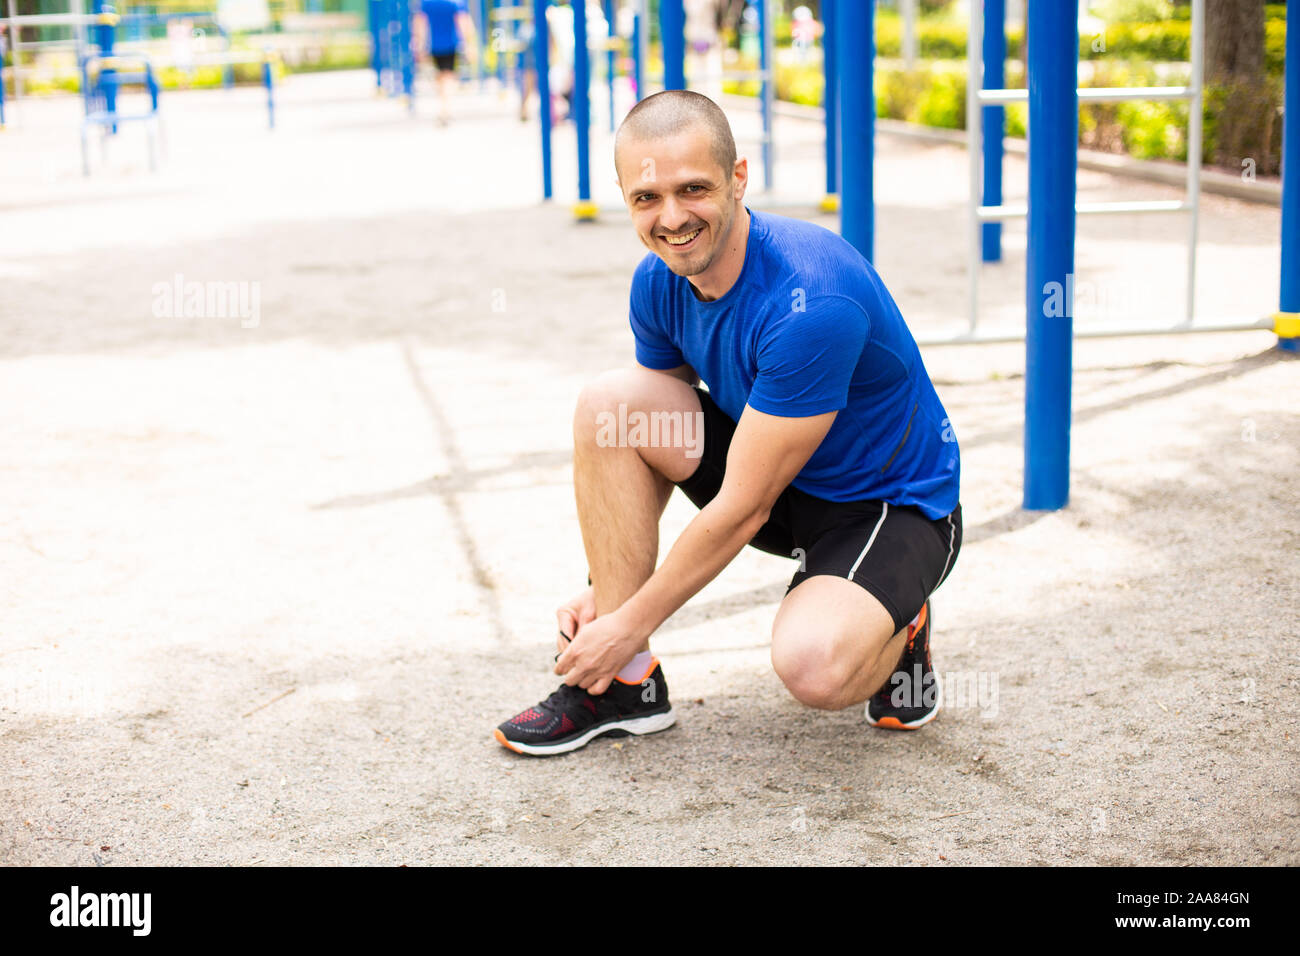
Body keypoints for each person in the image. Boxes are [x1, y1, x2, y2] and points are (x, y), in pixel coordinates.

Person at [495, 91, 962, 757]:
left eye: (693, 189)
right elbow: (651, 431)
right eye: (647, 198)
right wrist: (608, 591)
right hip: (773, 480)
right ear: (625, 198)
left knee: (815, 666)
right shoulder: (658, 281)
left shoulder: (812, 296)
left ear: (738, 178)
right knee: (611, 405)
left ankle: (901, 623)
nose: (672, 218)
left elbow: (743, 507)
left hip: (887, 508)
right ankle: (624, 687)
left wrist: (624, 623)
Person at [418, 0, 476, 125]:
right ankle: (445, 108)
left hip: (433, 45)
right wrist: (469, 44)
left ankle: (443, 106)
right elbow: (463, 21)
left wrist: (420, 45)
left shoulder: (427, 2)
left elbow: (420, 23)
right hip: (452, 44)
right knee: (448, 76)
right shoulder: (456, 2)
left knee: (441, 76)